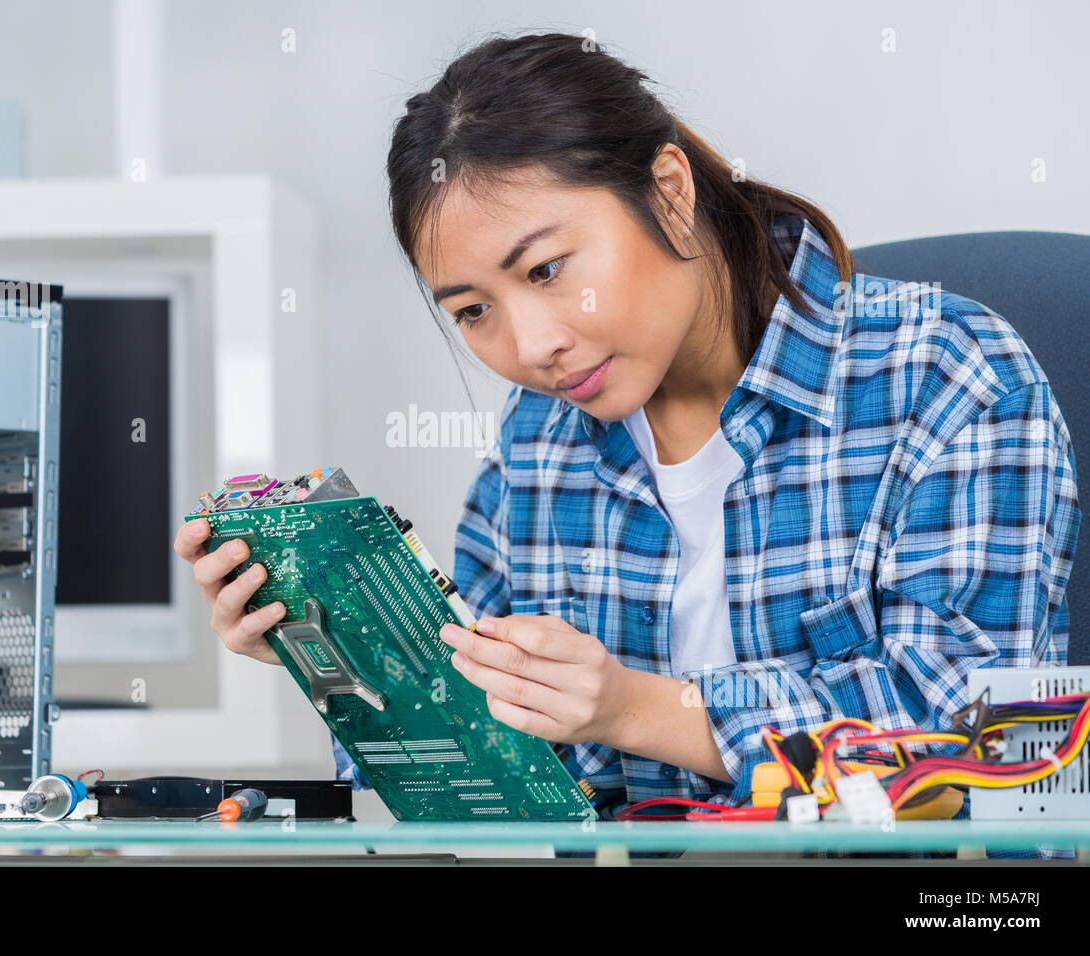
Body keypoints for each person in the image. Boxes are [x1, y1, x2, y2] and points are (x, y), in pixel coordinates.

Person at [173, 33, 1080, 859]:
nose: (530, 348)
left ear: (670, 192)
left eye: (546, 269)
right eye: (474, 312)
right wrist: (341, 648)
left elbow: (970, 736)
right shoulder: (540, 441)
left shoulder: (947, 374)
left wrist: (632, 707)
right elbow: (500, 755)